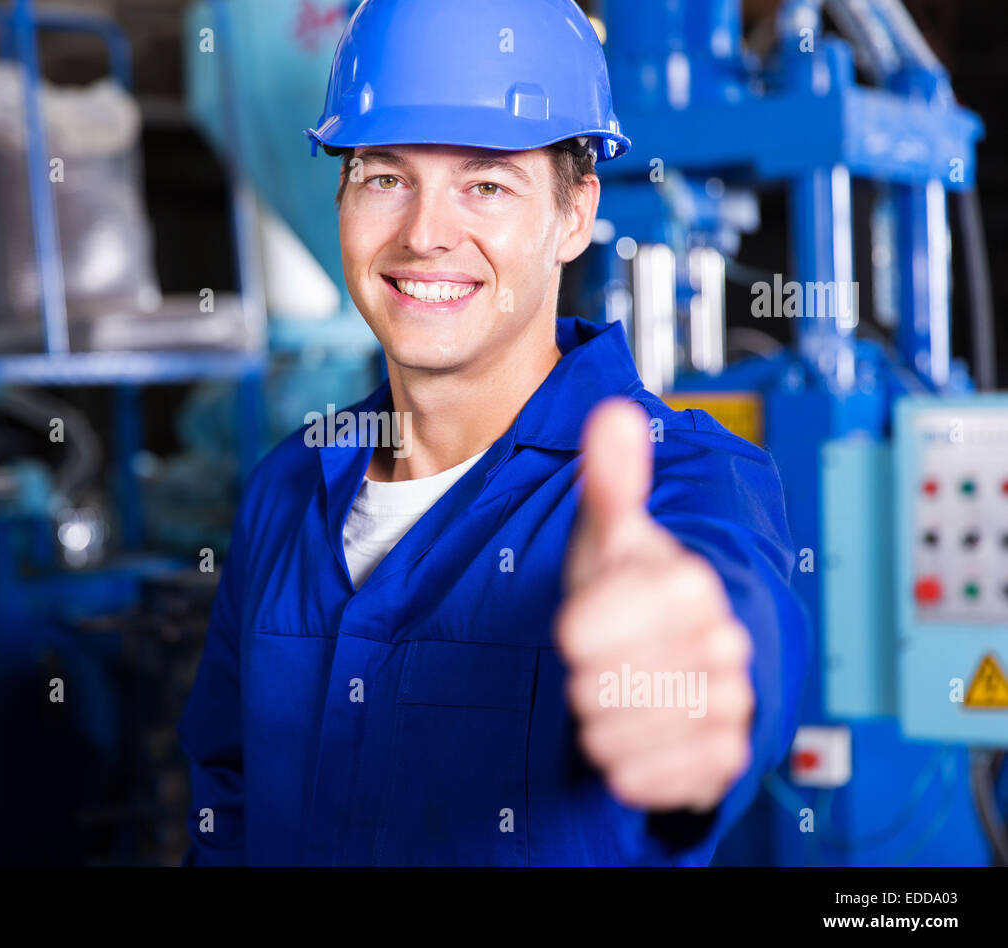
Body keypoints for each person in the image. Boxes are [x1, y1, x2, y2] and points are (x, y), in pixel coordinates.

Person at [178, 0, 808, 864]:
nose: (426, 234)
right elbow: (226, 792)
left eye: (485, 184)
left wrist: (695, 687)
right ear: (340, 194)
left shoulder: (683, 478)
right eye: (385, 177)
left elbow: (737, 613)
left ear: (574, 216)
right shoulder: (288, 485)